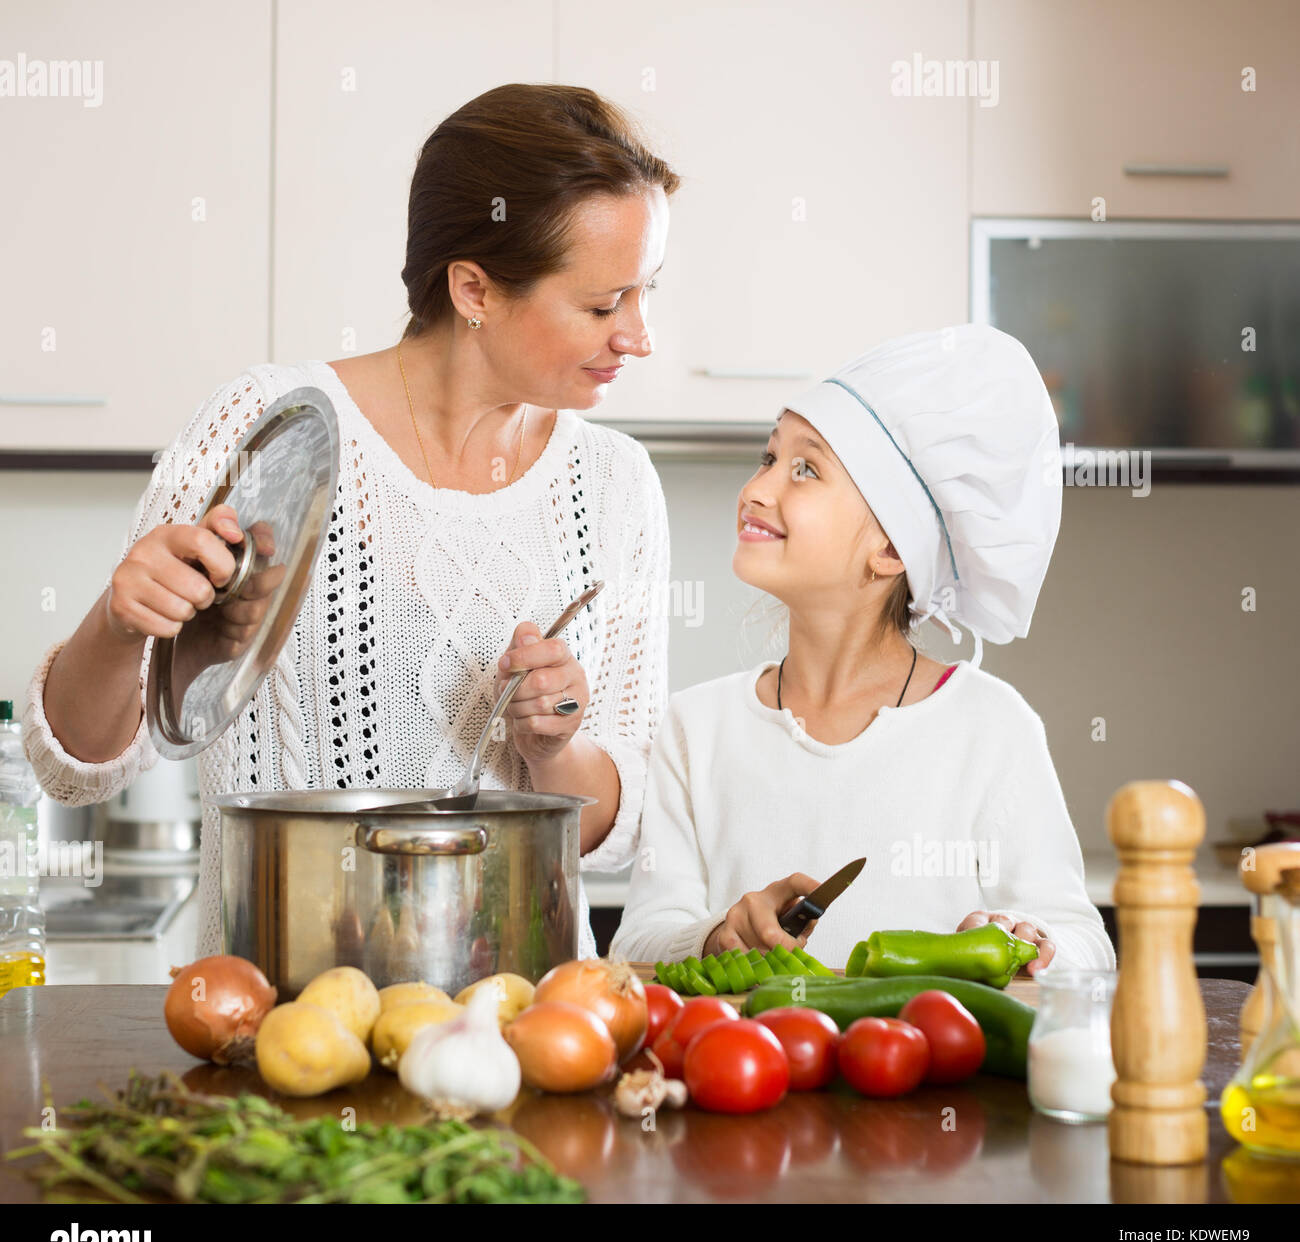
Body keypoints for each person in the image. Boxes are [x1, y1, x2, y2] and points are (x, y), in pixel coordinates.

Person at [24, 84, 678, 961]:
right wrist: (117, 620)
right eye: (605, 305)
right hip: (282, 1023)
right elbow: (77, 762)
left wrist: (555, 746)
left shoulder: (615, 484)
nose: (639, 336)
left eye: (647, 293)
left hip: (523, 1039)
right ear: (474, 288)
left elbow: (623, 825)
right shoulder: (270, 429)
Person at [611, 324, 1115, 975]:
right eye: (768, 458)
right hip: (753, 1075)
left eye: (805, 469)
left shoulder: (992, 727)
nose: (758, 489)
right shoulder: (695, 727)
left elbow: (1084, 941)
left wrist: (1029, 936)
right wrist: (717, 933)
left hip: (936, 1076)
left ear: (892, 549)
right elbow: (638, 943)